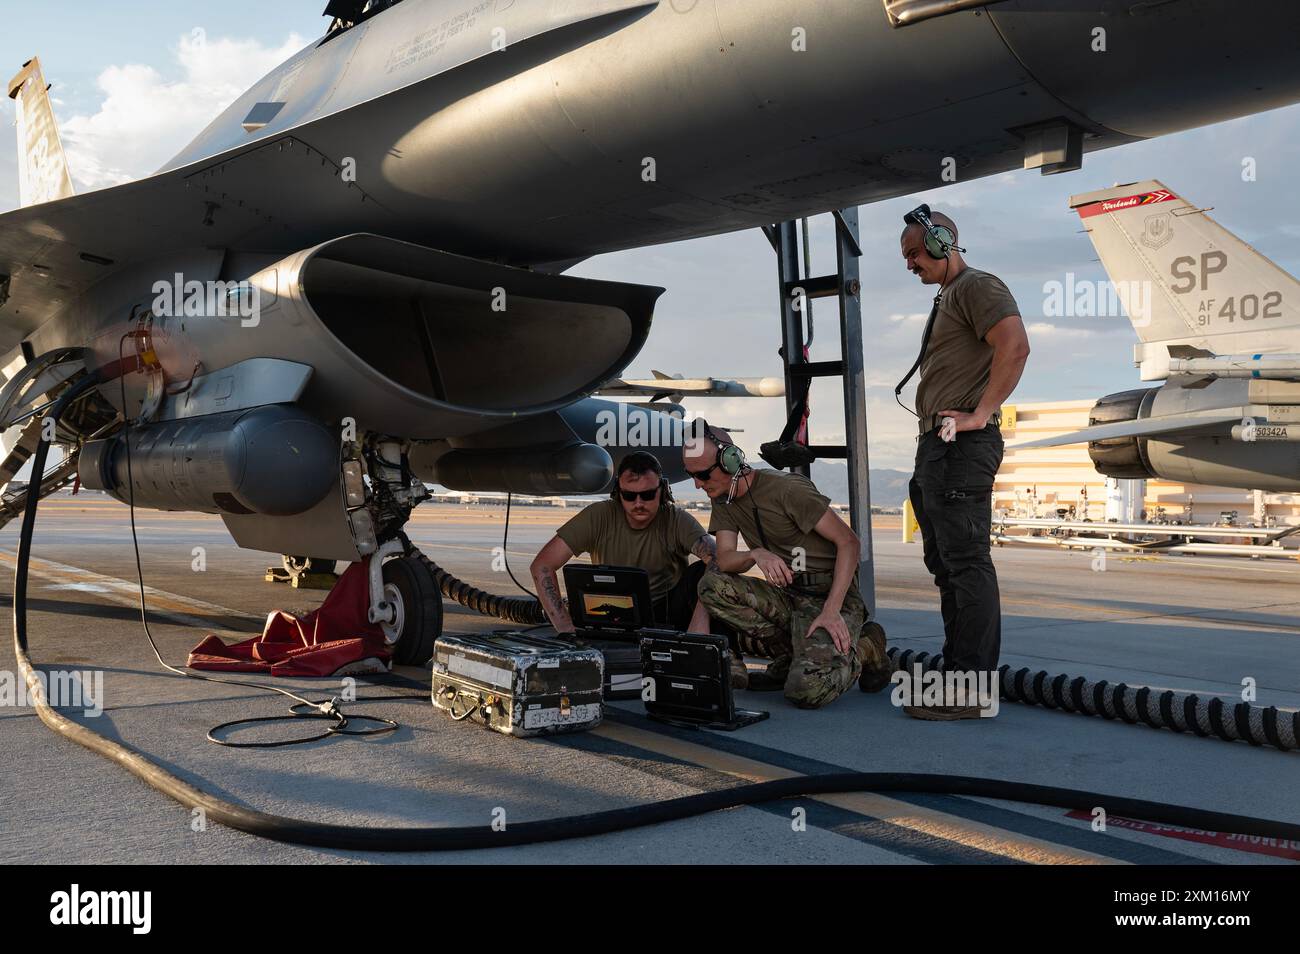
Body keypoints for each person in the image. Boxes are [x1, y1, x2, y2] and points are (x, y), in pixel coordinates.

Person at [897, 204, 1030, 720]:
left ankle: (971, 688)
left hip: (960, 444)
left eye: (914, 253)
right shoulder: (950, 295)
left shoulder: (978, 286)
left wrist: (981, 413)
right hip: (937, 445)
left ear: (940, 242)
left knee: (967, 564)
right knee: (947, 566)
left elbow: (1014, 346)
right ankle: (957, 675)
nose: (910, 264)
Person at [684, 423, 890, 708]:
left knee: (807, 692)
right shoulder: (724, 500)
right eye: (690, 475)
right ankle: (797, 655)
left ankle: (867, 645)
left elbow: (849, 543)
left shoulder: (787, 489)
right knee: (713, 585)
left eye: (703, 474)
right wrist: (755, 554)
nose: (697, 484)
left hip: (828, 596)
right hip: (788, 594)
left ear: (730, 459)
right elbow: (726, 558)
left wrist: (831, 611)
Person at [530, 451, 717, 634]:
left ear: (663, 491)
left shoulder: (676, 519)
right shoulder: (598, 516)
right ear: (618, 494)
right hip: (613, 611)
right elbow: (542, 565)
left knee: (699, 572)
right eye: (629, 496)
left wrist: (700, 620)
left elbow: (718, 559)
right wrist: (565, 626)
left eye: (647, 495)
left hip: (669, 614)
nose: (638, 503)